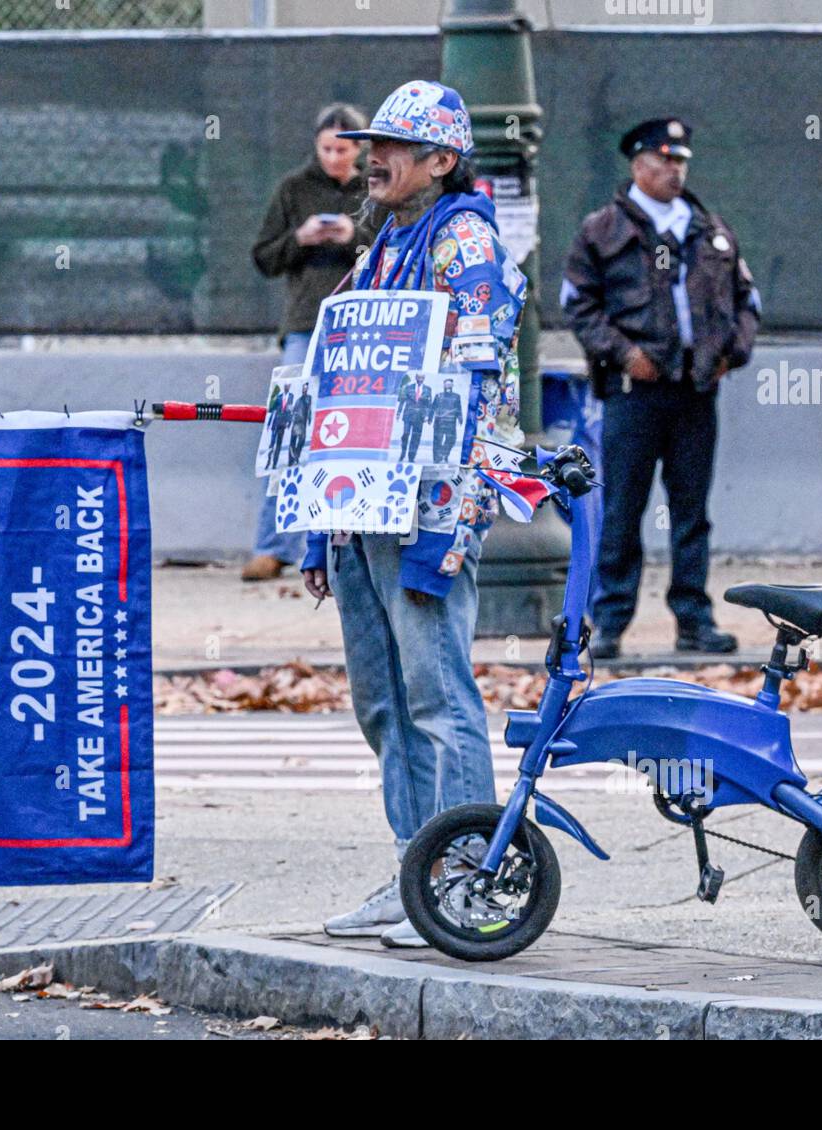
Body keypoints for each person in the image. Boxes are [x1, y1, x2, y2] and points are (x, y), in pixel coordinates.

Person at [301, 79, 526, 949]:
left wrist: (454, 505)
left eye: (395, 145)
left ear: (441, 161)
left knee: (437, 694)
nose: (374, 157)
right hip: (362, 504)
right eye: (371, 142)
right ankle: (415, 872)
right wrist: (322, 522)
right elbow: (340, 384)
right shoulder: (386, 242)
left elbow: (479, 370)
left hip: (427, 502)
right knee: (385, 701)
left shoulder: (462, 236)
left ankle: (468, 876)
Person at [561, 118, 760, 660]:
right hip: (634, 390)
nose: (675, 170)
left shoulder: (708, 228)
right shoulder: (602, 230)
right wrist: (624, 353)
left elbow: (747, 301)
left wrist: (731, 353)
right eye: (663, 161)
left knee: (691, 511)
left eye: (680, 161)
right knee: (623, 508)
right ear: (637, 165)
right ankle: (608, 622)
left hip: (696, 389)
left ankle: (694, 618)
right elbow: (578, 304)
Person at [244, 104, 372, 581]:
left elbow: (388, 247)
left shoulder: (374, 187)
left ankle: (343, 543)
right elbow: (264, 257)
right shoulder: (293, 189)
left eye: (342, 149)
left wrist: (351, 236)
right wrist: (300, 238)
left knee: (355, 436)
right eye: (326, 149)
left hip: (361, 329)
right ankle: (273, 545)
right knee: (289, 433)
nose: (334, 157)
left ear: (358, 149)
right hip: (305, 322)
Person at [397, 372, 433, 460]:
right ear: (416, 377)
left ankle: (411, 456)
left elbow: (429, 404)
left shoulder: (428, 389)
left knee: (416, 437)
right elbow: (402, 401)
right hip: (408, 415)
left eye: (422, 377)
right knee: (405, 434)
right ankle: (403, 452)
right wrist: (399, 413)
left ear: (424, 378)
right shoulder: (408, 388)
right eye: (418, 377)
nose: (420, 379)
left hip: (420, 416)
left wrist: (428, 416)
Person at [431, 377, 464, 463]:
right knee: (437, 440)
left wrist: (460, 418)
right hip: (439, 422)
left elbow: (458, 408)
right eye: (447, 384)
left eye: (450, 384)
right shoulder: (439, 396)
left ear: (452, 385)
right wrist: (430, 418)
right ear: (444, 385)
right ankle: (436, 458)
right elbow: (433, 407)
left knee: (451, 439)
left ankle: (444, 454)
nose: (448, 386)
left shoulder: (456, 396)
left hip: (451, 422)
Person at [264, 382, 293, 469]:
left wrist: (289, 422)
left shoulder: (291, 397)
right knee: (272, 444)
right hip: (275, 423)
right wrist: (269, 423)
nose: (286, 387)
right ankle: (268, 462)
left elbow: (290, 410)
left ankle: (274, 464)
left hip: (282, 424)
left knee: (278, 445)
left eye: (288, 386)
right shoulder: (279, 397)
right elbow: (272, 410)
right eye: (285, 386)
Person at [288, 380, 312, 465]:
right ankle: (292, 459)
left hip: (302, 422)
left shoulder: (308, 398)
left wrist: (309, 418)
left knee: (301, 440)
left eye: (306, 388)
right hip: (297, 422)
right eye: (304, 388)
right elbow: (294, 410)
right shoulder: (298, 400)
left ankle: (296, 456)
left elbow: (309, 408)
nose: (305, 389)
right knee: (294, 440)